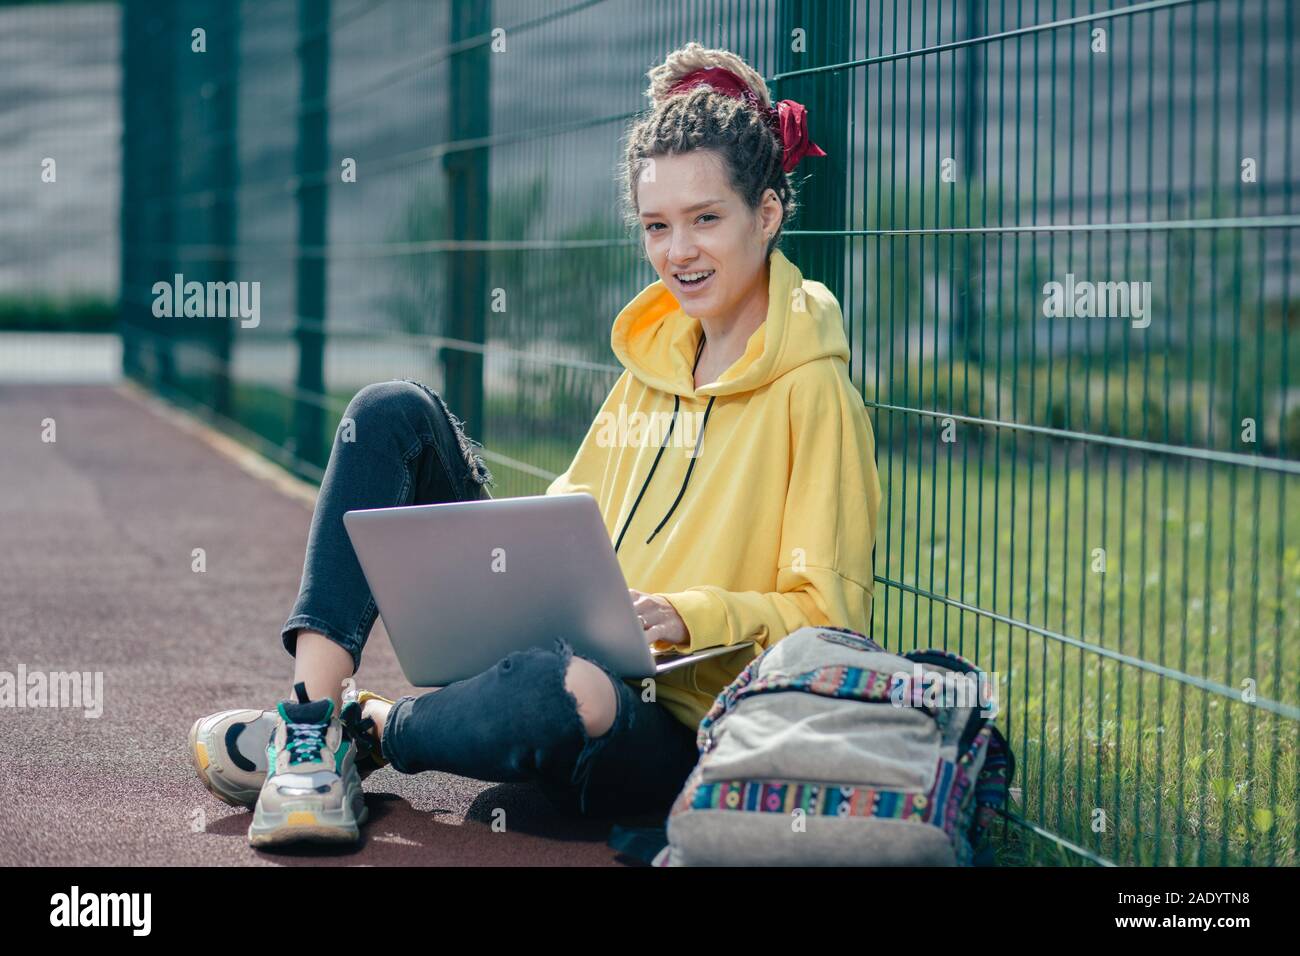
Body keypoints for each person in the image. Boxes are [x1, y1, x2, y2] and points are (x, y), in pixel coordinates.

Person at [188, 41, 882, 848]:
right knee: (388, 413)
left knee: (565, 690)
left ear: (766, 213)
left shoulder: (815, 391)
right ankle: (308, 730)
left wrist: (685, 616)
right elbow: (570, 517)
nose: (678, 252)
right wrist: (511, 573)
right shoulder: (656, 359)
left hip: (675, 723)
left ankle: (372, 729)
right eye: (657, 226)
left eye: (705, 220)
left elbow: (832, 620)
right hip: (570, 638)